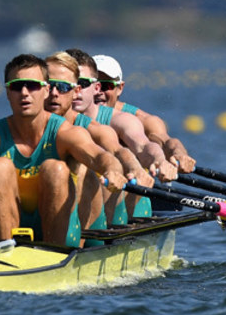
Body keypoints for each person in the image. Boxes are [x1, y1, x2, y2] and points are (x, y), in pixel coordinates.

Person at [0, 53, 128, 248]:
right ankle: (4, 248)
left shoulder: (67, 133)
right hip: (4, 235)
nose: (25, 93)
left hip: (60, 236)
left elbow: (101, 156)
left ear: (46, 90)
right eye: (17, 86)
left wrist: (113, 171)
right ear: (7, 93)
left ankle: (54, 252)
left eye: (33, 86)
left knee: (54, 169)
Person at [42, 51, 158, 234]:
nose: (55, 93)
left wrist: (136, 168)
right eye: (50, 86)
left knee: (84, 168)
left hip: (100, 215)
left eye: (63, 87)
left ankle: (85, 243)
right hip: (48, 208)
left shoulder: (111, 124)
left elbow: (121, 151)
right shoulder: (19, 125)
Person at [67, 48, 177, 223]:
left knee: (93, 169)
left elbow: (144, 146)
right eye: (67, 84)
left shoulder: (125, 120)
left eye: (82, 83)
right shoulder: (45, 116)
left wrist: (159, 161)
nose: (76, 89)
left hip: (120, 206)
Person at [93, 53, 197, 174]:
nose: (98, 92)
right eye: (92, 84)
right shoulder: (75, 113)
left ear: (120, 88)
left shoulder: (142, 120)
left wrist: (178, 153)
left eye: (105, 85)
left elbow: (166, 142)